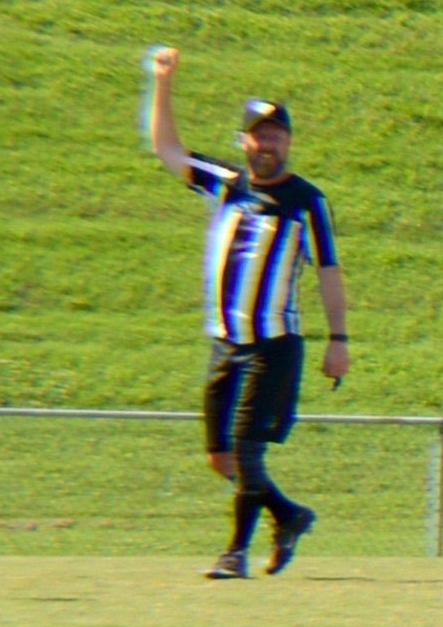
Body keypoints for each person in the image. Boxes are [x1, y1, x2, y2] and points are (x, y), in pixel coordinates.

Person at [144, 46, 346, 579]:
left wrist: (339, 339)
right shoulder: (226, 183)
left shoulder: (306, 201)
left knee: (246, 450)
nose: (267, 144)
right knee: (221, 458)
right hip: (224, 341)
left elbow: (329, 271)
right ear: (244, 141)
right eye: (259, 134)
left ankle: (234, 552)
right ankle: (289, 514)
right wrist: (162, 81)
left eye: (277, 136)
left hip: (274, 344)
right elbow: (165, 148)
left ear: (288, 144)